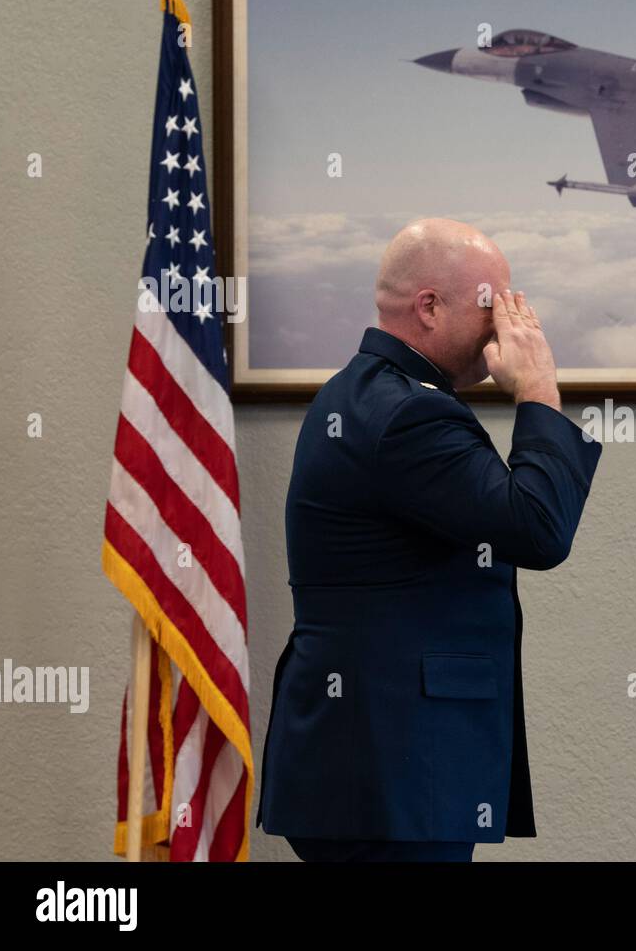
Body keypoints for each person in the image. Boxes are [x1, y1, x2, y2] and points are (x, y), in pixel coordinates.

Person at [256, 218, 602, 861]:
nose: (509, 324)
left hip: (365, 758)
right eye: (492, 304)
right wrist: (539, 390)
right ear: (429, 307)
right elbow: (539, 528)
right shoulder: (411, 414)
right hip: (396, 766)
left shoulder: (357, 392)